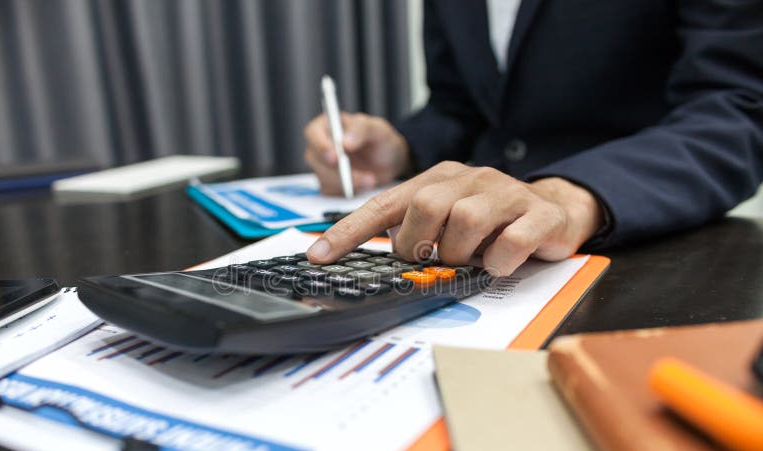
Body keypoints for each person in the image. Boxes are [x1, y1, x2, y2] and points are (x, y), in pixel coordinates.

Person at [303, 0, 763, 276]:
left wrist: (569, 197)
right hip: (476, 254)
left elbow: (737, 107)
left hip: (646, 259)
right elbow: (462, 104)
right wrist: (403, 146)